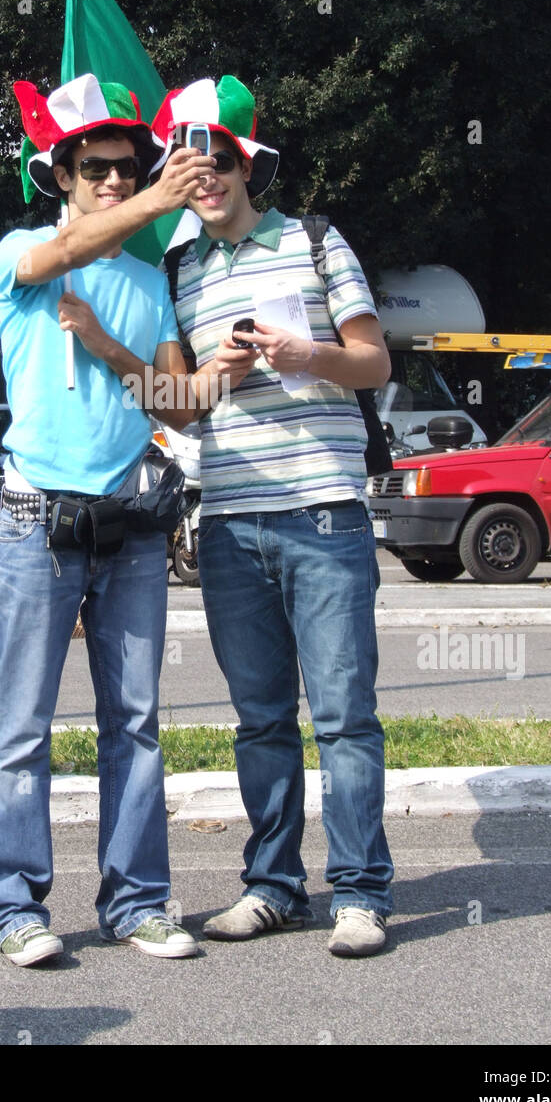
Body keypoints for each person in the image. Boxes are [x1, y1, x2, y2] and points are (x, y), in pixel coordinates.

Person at [0, 72, 213, 965]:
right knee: (21, 723)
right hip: (37, 519)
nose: (115, 181)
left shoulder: (150, 283)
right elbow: (47, 262)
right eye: (97, 168)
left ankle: (139, 902)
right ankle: (13, 907)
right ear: (63, 175)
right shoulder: (20, 254)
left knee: (137, 722)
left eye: (128, 169)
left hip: (131, 524)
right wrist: (156, 197)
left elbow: (175, 405)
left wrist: (112, 350)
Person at [152, 76, 395, 956]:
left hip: (323, 509)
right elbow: (174, 406)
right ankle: (272, 885)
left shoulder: (317, 240)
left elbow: (374, 364)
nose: (205, 177)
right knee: (259, 718)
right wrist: (226, 371)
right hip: (229, 523)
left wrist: (305, 353)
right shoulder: (176, 269)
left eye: (218, 160)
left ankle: (362, 893)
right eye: (187, 163)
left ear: (247, 162)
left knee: (343, 715)